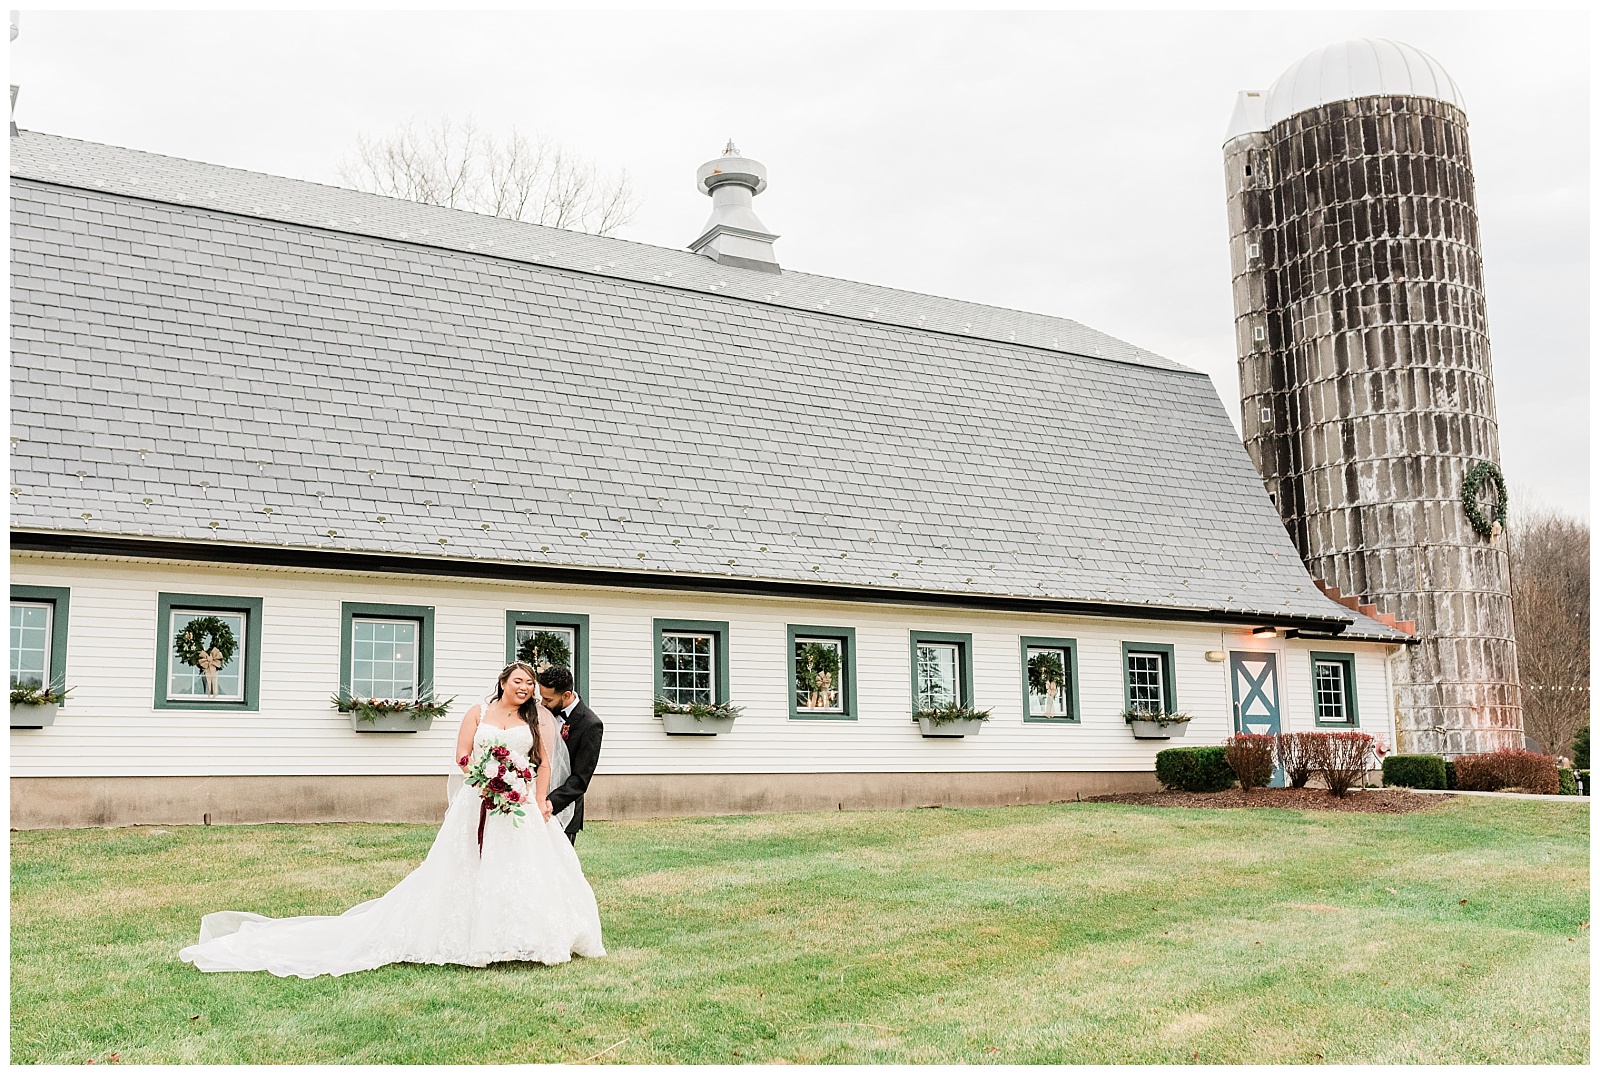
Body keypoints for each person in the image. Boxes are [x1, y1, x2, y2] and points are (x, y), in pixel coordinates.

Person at [178, 661, 604, 977]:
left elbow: (542, 760)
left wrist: (538, 796)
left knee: (526, 869)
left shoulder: (535, 718)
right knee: (469, 866)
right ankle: (474, 936)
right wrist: (487, 776)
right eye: (519, 682)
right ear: (503, 682)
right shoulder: (478, 712)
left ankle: (528, 937)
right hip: (481, 799)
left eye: (531, 684)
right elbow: (460, 756)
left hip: (522, 803)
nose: (525, 689)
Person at [537, 666, 603, 846]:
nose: (542, 703)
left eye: (548, 699)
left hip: (564, 807)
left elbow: (580, 779)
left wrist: (549, 802)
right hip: (533, 800)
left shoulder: (591, 725)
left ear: (566, 695)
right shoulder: (540, 713)